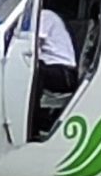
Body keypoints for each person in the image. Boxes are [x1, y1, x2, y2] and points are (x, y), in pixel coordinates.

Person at [30, 7, 80, 140]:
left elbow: (33, 47)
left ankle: (32, 125)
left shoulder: (44, 16)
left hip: (64, 73)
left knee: (33, 71)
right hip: (51, 68)